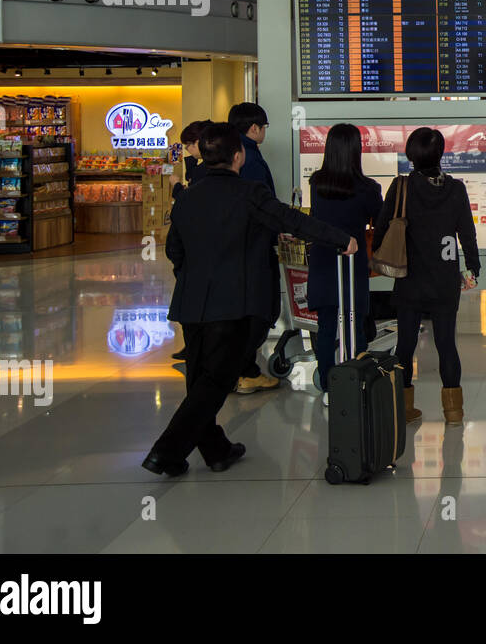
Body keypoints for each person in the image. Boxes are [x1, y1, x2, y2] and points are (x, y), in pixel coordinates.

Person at [144, 123, 357, 477]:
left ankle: (216, 449)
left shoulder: (186, 198)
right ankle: (165, 452)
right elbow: (291, 221)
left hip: (191, 304)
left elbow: (175, 252)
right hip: (236, 305)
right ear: (238, 156)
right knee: (215, 383)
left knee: (201, 381)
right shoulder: (250, 194)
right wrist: (341, 239)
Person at [377, 127, 480, 426]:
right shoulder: (456, 188)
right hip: (445, 280)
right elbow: (467, 234)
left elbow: (383, 228)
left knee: (405, 345)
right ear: (441, 154)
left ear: (411, 155)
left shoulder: (401, 188)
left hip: (410, 279)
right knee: (446, 343)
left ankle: (404, 408)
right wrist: (473, 267)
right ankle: (453, 412)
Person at [307, 123, 383, 392]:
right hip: (353, 260)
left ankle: (329, 383)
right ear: (355, 150)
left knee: (327, 326)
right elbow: (380, 221)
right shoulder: (368, 188)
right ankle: (356, 381)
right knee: (356, 323)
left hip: (322, 261)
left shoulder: (317, 183)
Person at [228, 102, 280, 393]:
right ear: (254, 128)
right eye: (264, 127)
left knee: (247, 311)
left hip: (237, 247)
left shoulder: (235, 153)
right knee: (262, 310)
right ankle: (245, 371)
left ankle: (241, 369)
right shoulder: (251, 160)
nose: (265, 133)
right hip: (256, 247)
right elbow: (262, 205)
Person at [170, 119, 215, 360]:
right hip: (199, 253)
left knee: (194, 305)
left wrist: (177, 188)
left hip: (195, 254)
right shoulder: (204, 169)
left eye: (190, 145)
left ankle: (197, 349)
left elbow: (189, 206)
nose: (188, 150)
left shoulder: (204, 172)